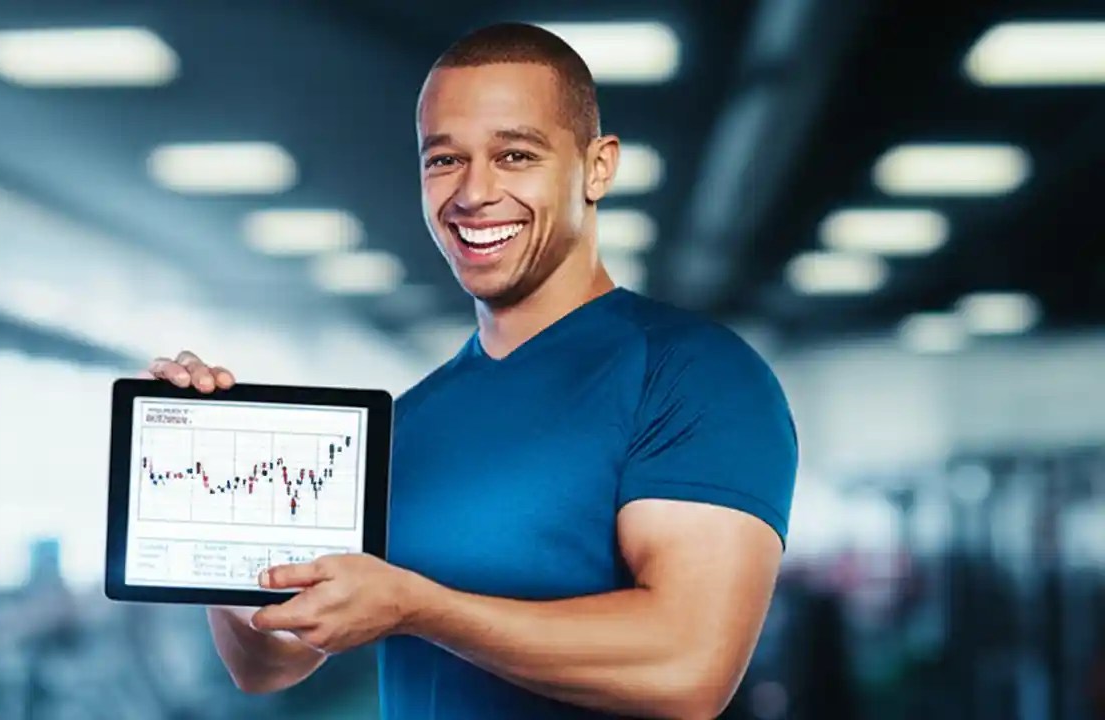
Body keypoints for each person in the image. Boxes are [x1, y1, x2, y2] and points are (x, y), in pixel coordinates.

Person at [147, 22, 797, 720]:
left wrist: (421, 608)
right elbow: (267, 662)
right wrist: (215, 513)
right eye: (443, 160)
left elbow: (686, 666)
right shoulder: (408, 419)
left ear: (598, 167)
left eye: (515, 155)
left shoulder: (694, 375)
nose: (473, 193)